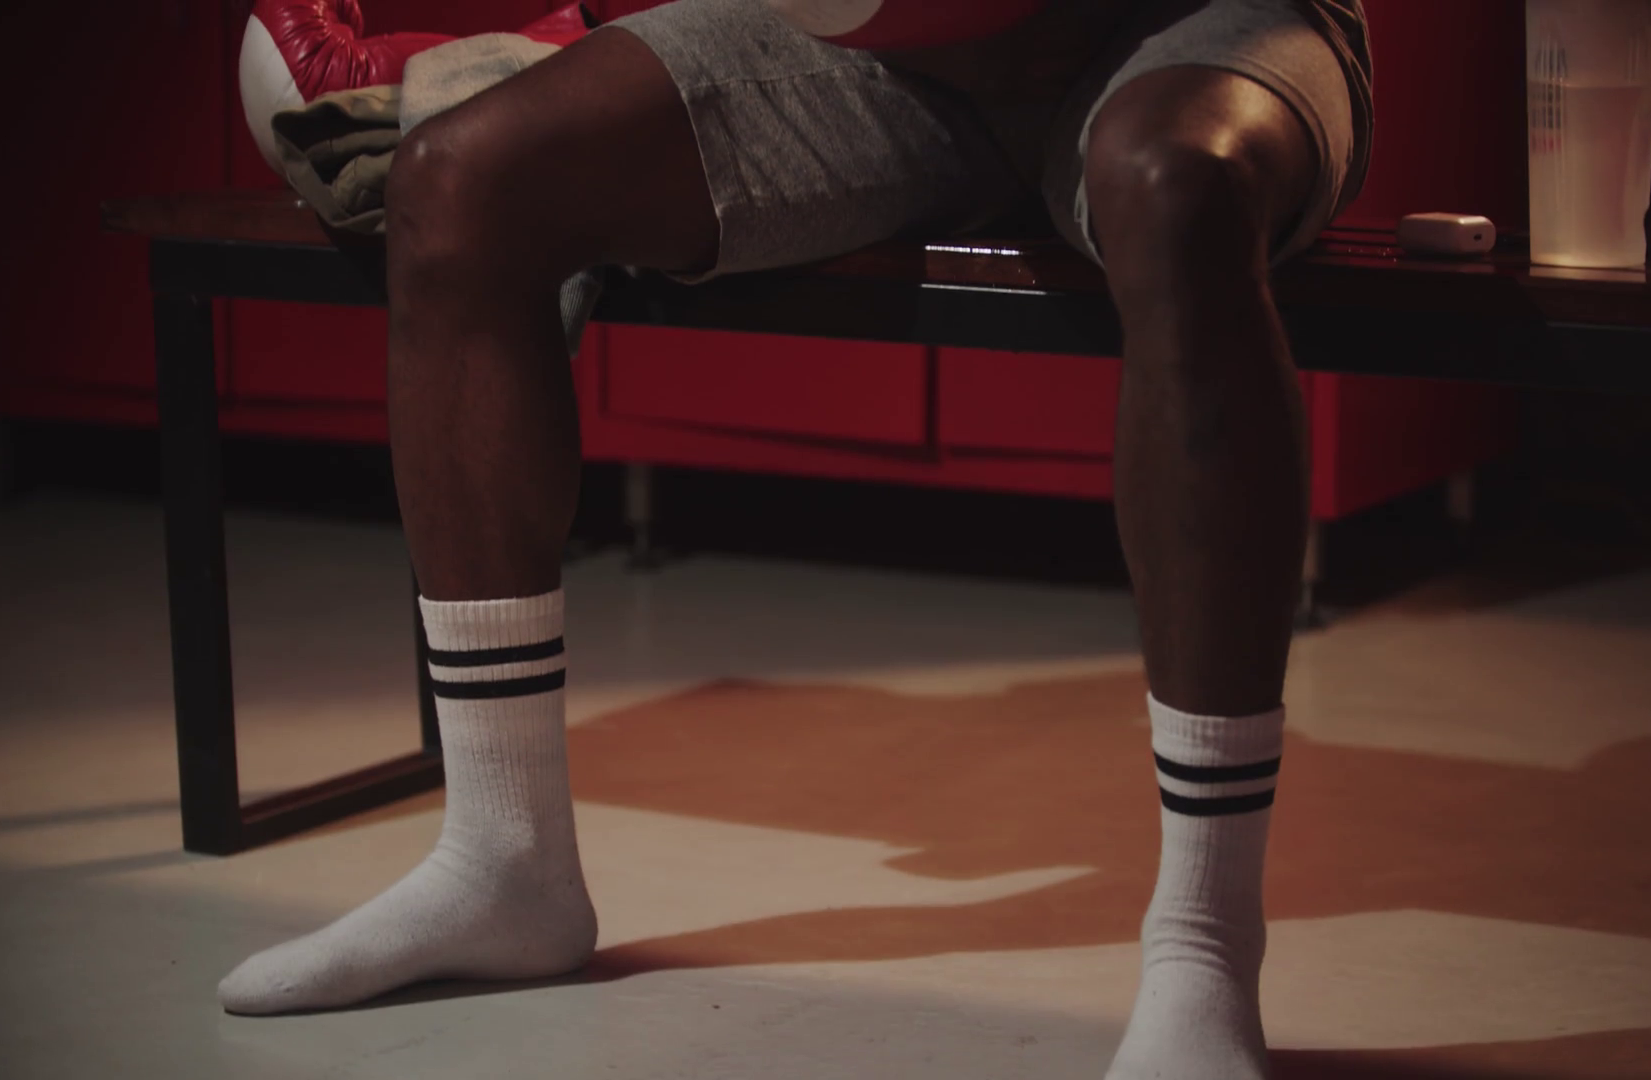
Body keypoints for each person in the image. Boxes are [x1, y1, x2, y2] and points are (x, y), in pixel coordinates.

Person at [219, 0, 1372, 1075]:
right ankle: (501, 859)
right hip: (897, 53)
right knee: (464, 174)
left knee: (1175, 186)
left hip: (1185, 30)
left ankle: (1205, 942)